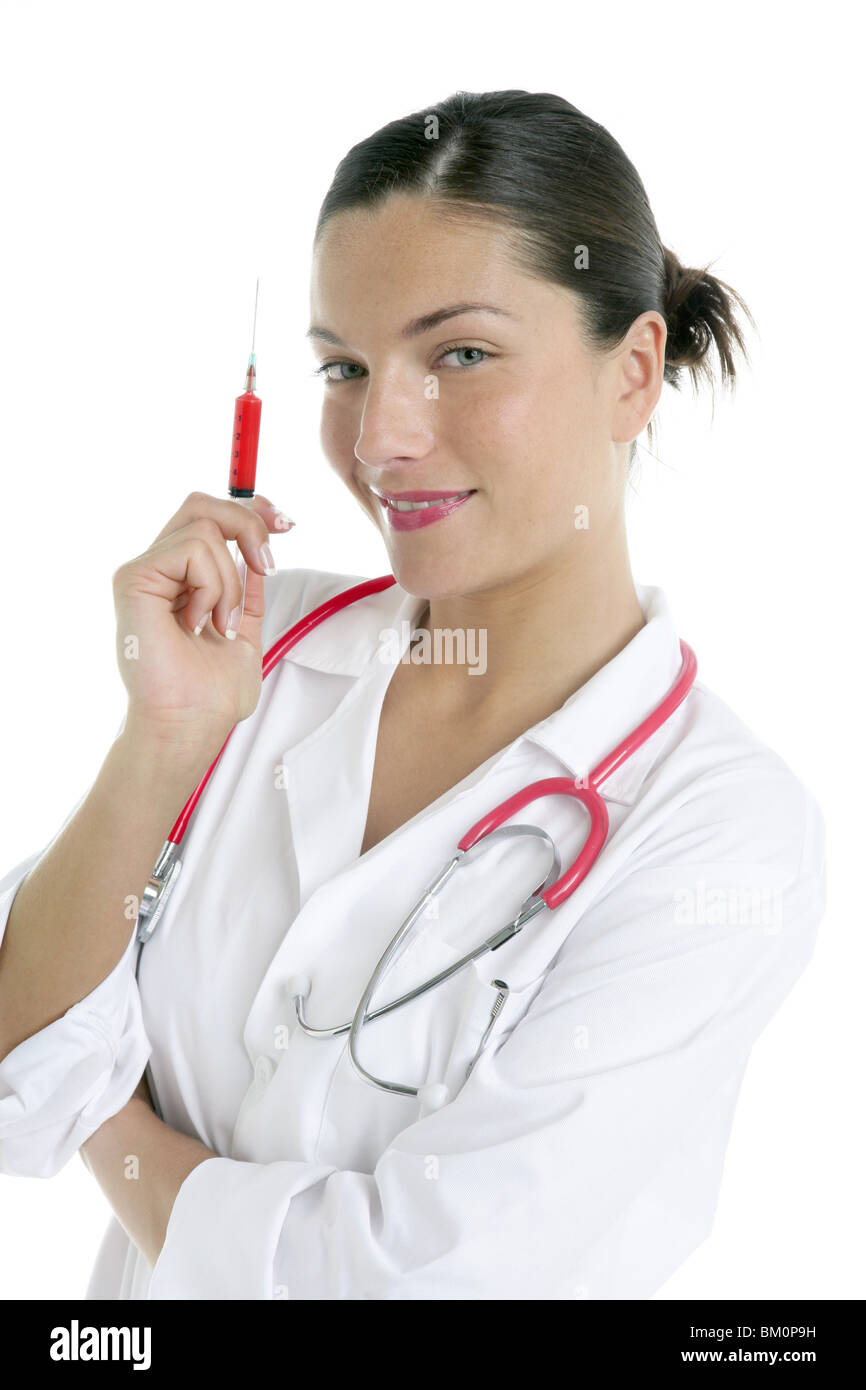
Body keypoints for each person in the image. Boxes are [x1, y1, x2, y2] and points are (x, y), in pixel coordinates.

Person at [0, 89, 825, 1299]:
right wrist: (164, 737)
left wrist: (101, 1113)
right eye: (344, 366)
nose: (378, 437)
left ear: (633, 371)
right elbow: (18, 1049)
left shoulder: (725, 831)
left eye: (460, 354)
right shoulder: (252, 645)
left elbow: (403, 1285)